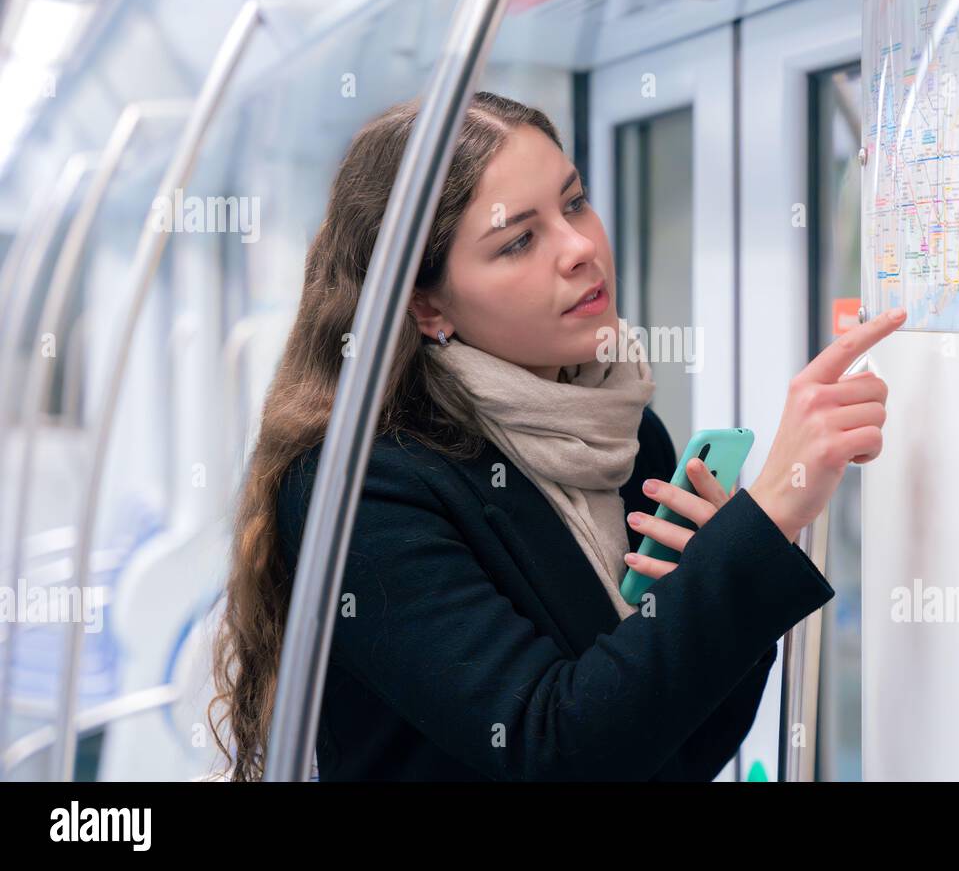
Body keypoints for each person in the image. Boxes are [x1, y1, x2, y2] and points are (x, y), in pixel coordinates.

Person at [209, 90, 903, 781]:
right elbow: (550, 746)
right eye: (518, 240)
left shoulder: (628, 434)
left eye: (575, 203)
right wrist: (765, 518)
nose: (578, 249)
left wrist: (723, 571)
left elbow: (676, 744)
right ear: (426, 306)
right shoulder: (361, 488)